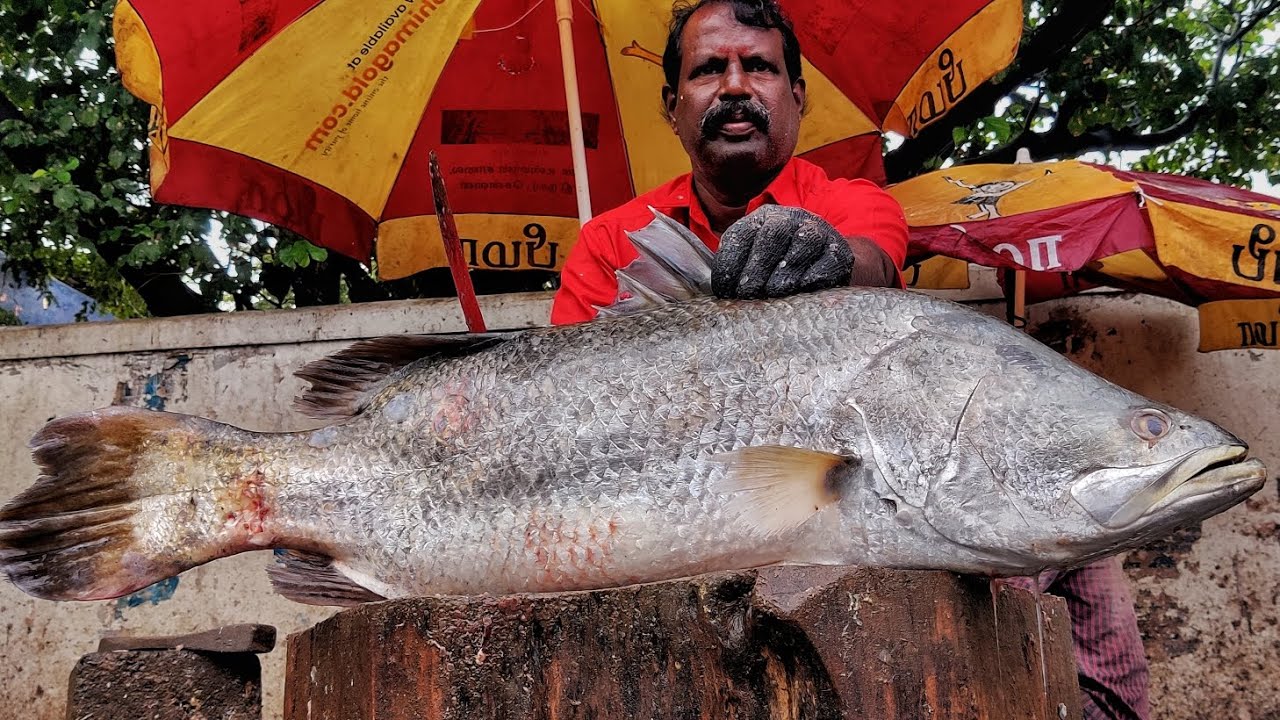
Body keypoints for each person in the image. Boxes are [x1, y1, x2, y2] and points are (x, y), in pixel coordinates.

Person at [550, 2, 1150, 718]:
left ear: (796, 98)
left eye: (759, 67)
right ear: (673, 106)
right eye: (709, 70)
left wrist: (825, 254)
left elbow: (872, 261)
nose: (735, 86)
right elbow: (570, 401)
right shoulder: (610, 244)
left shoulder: (853, 202)